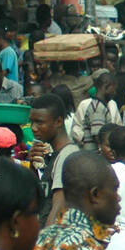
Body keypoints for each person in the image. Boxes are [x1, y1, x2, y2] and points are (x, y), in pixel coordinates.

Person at [29, 94, 80, 225]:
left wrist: (46, 243)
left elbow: (58, 208)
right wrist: (33, 167)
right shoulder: (54, 154)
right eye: (32, 122)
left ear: (58, 122)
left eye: (39, 122)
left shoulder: (67, 155)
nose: (33, 128)